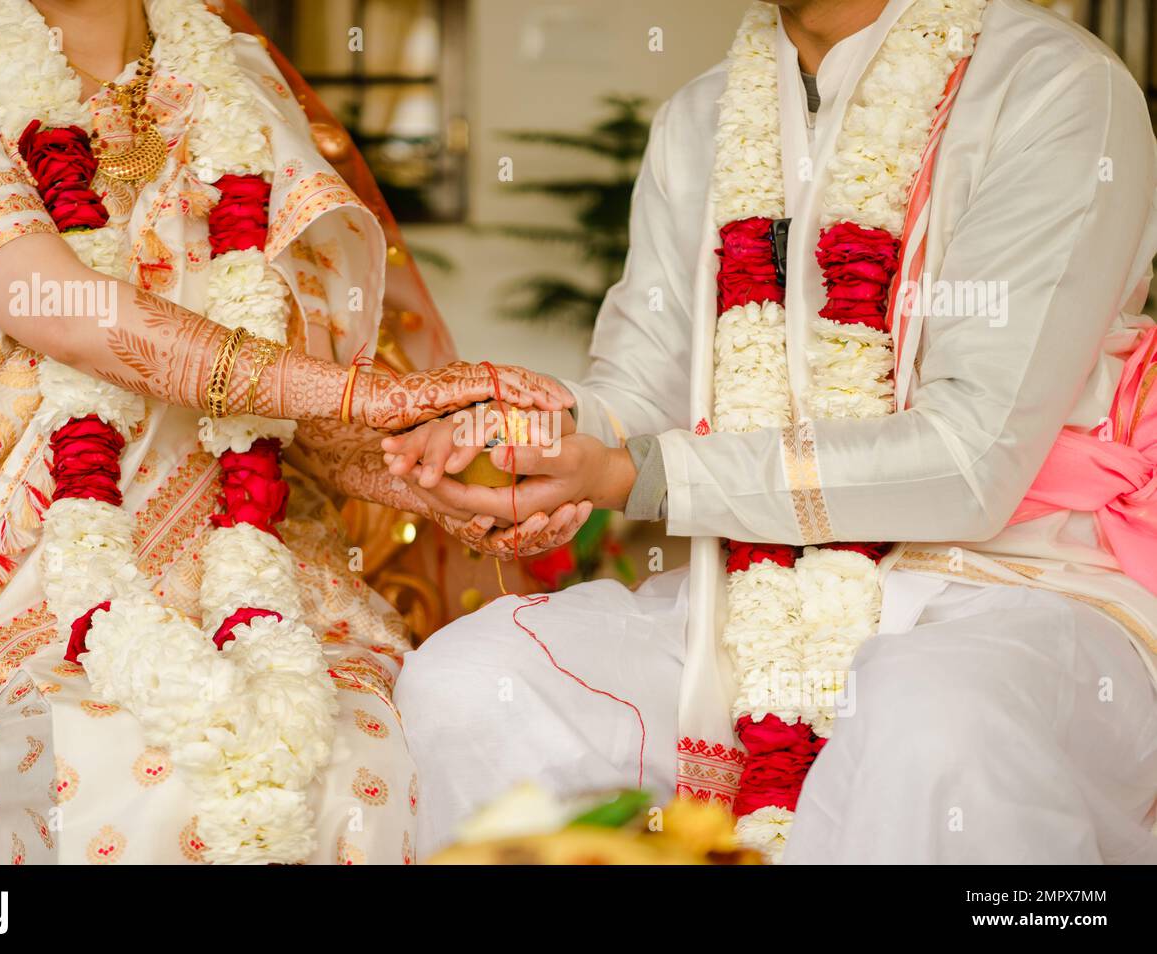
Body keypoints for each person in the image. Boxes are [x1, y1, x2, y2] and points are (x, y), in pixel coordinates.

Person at [391, 0, 1157, 863]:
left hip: (1014, 587)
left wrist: (637, 474)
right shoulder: (705, 116)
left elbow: (971, 461)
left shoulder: (1051, 87)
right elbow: (638, 394)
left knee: (928, 719)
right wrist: (523, 433)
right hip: (748, 598)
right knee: (471, 684)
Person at [0, 0, 571, 865]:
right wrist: (370, 395)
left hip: (257, 559)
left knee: (371, 758)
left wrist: (433, 480)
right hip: (24, 574)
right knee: (111, 770)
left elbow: (294, 391)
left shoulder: (239, 89)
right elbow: (62, 310)